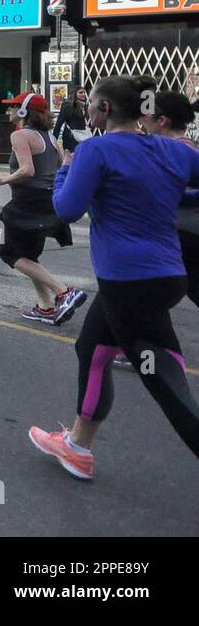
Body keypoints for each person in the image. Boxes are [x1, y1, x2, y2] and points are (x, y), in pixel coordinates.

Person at [30, 75, 199, 479]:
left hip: (128, 281)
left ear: (105, 110)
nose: (86, 111)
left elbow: (67, 209)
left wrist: (64, 170)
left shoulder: (96, 151)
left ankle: (77, 446)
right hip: (164, 277)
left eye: (90, 105)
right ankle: (77, 447)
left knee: (164, 379)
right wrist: (173, 194)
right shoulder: (172, 151)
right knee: (92, 349)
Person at [0, 92, 84, 326]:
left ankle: (64, 292)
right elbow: (62, 164)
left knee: (7, 252)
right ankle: (46, 307)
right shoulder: (49, 136)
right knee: (29, 255)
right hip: (47, 200)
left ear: (23, 112)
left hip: (26, 202)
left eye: (13, 107)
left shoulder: (20, 135)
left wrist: (5, 179)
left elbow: (27, 170)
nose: (8, 111)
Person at [144, 91, 199, 309]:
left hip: (181, 231)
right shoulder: (185, 147)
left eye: (146, 115)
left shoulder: (174, 150)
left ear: (162, 121)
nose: (142, 120)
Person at [53, 86, 92, 152]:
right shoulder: (67, 105)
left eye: (84, 92)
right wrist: (54, 140)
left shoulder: (83, 105)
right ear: (74, 94)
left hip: (82, 135)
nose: (83, 94)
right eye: (80, 92)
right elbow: (59, 123)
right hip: (71, 136)